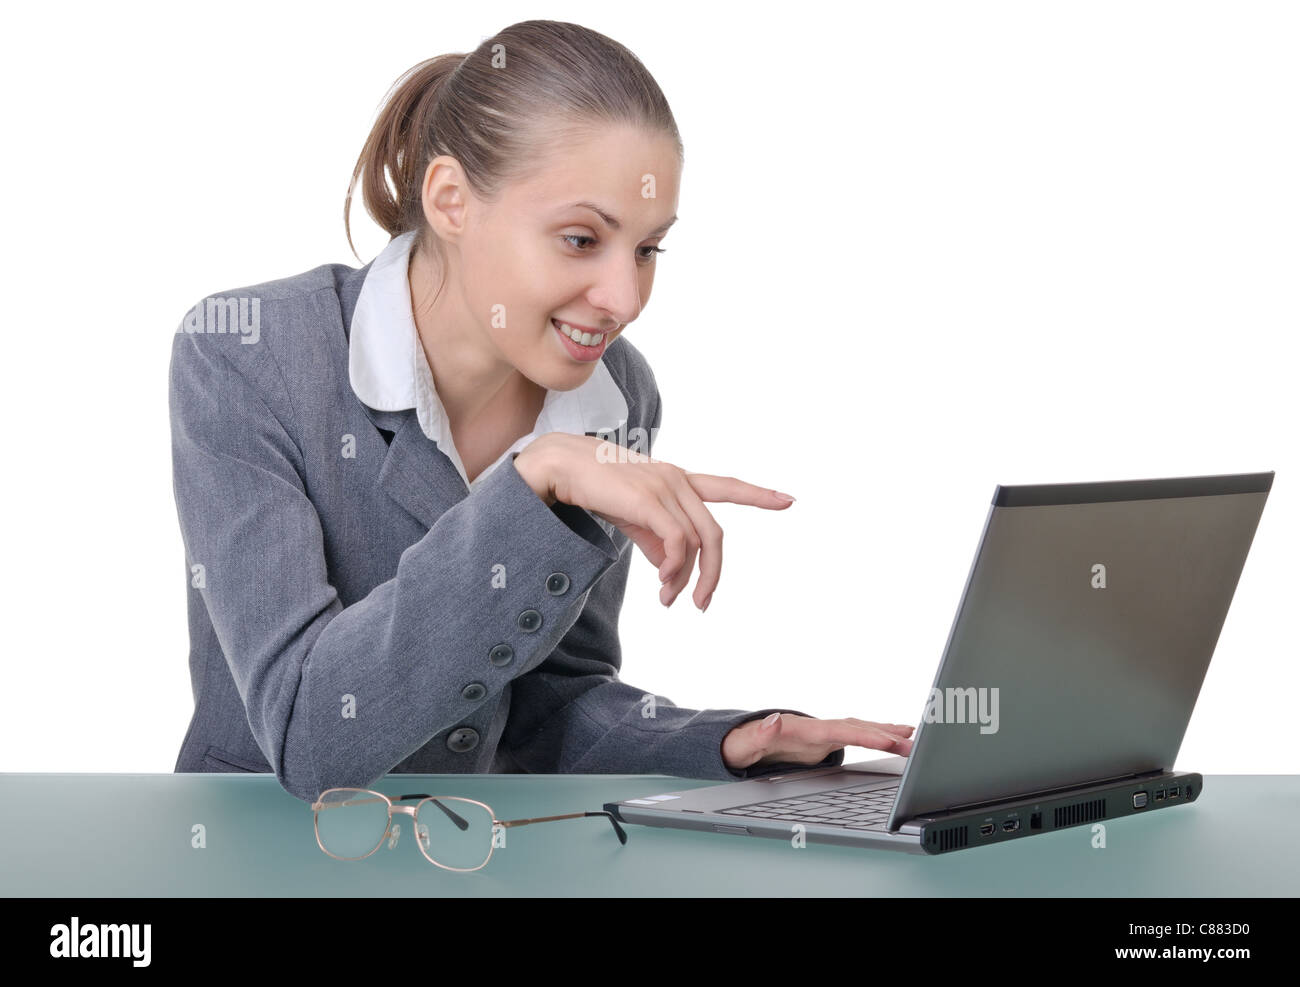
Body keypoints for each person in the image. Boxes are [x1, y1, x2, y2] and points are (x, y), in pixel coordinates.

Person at [169, 19, 914, 804]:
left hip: (473, 853)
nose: (625, 299)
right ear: (451, 200)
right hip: (260, 853)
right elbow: (310, 736)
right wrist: (534, 480)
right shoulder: (248, 357)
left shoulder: (617, 392)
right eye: (581, 238)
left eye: (648, 249)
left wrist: (723, 741)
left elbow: (548, 702)